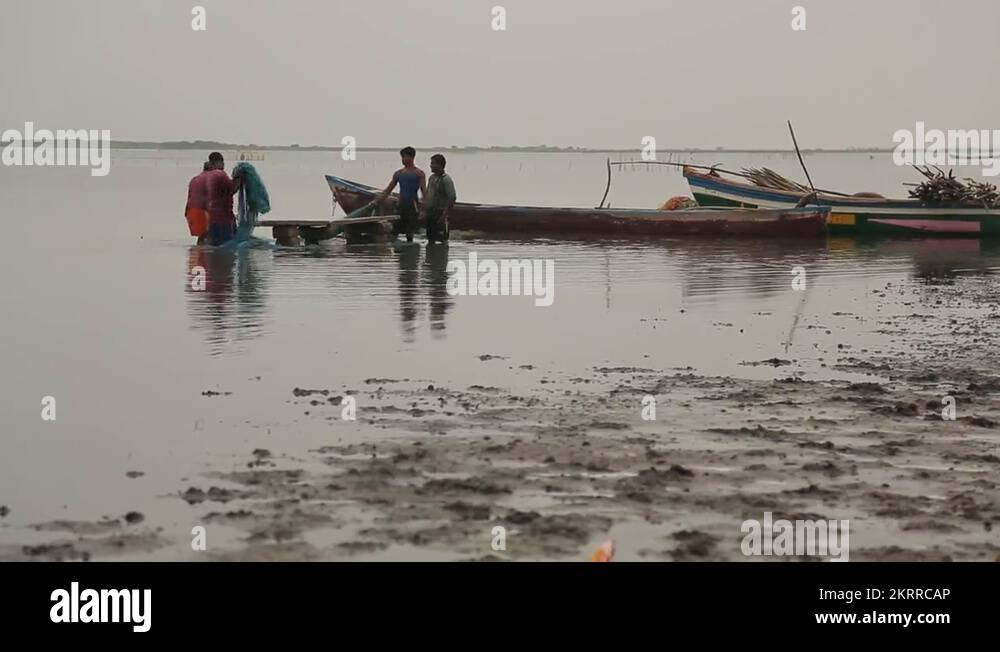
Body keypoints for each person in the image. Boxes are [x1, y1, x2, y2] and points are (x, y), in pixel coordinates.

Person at [376, 147, 426, 243]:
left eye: (405, 157)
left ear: (412, 157)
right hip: (400, 205)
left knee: (409, 232)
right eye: (402, 157)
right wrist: (377, 201)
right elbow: (388, 190)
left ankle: (410, 252)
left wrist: (423, 210)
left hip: (412, 205)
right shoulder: (398, 173)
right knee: (395, 230)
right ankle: (398, 253)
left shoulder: (419, 173)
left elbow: (424, 192)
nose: (403, 159)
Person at [204, 152, 242, 246]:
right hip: (223, 220)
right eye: (222, 162)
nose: (224, 165)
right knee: (226, 248)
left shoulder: (210, 176)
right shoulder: (220, 174)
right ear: (218, 163)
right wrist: (239, 178)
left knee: (215, 250)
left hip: (213, 218)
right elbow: (232, 189)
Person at [421, 154, 456, 243]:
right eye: (431, 163)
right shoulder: (432, 178)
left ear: (440, 165)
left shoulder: (446, 179)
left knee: (442, 240)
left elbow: (452, 197)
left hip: (440, 213)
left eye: (433, 163)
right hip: (430, 213)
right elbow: (428, 195)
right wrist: (424, 210)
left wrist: (444, 215)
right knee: (430, 238)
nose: (430, 165)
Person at [185, 161, 211, 244]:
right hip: (203, 210)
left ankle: (199, 254)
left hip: (191, 210)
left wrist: (186, 212)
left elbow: (189, 196)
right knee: (208, 235)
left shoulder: (194, 179)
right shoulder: (211, 179)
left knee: (201, 237)